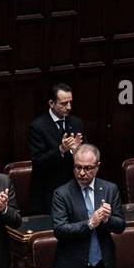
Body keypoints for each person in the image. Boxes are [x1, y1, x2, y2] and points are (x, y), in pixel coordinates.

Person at [51, 144, 126, 268]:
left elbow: (120, 226)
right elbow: (59, 230)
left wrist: (106, 218)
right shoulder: (62, 194)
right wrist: (90, 223)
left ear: (97, 167)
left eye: (88, 168)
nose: (82, 173)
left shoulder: (110, 189)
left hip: (103, 267)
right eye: (78, 167)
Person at [26, 82, 84, 216]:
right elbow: (38, 161)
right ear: (51, 103)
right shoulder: (37, 126)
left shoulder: (76, 122)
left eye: (70, 102)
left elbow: (86, 153)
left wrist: (77, 150)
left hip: (73, 189)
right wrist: (61, 150)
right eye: (63, 103)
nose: (68, 107)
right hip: (48, 192)